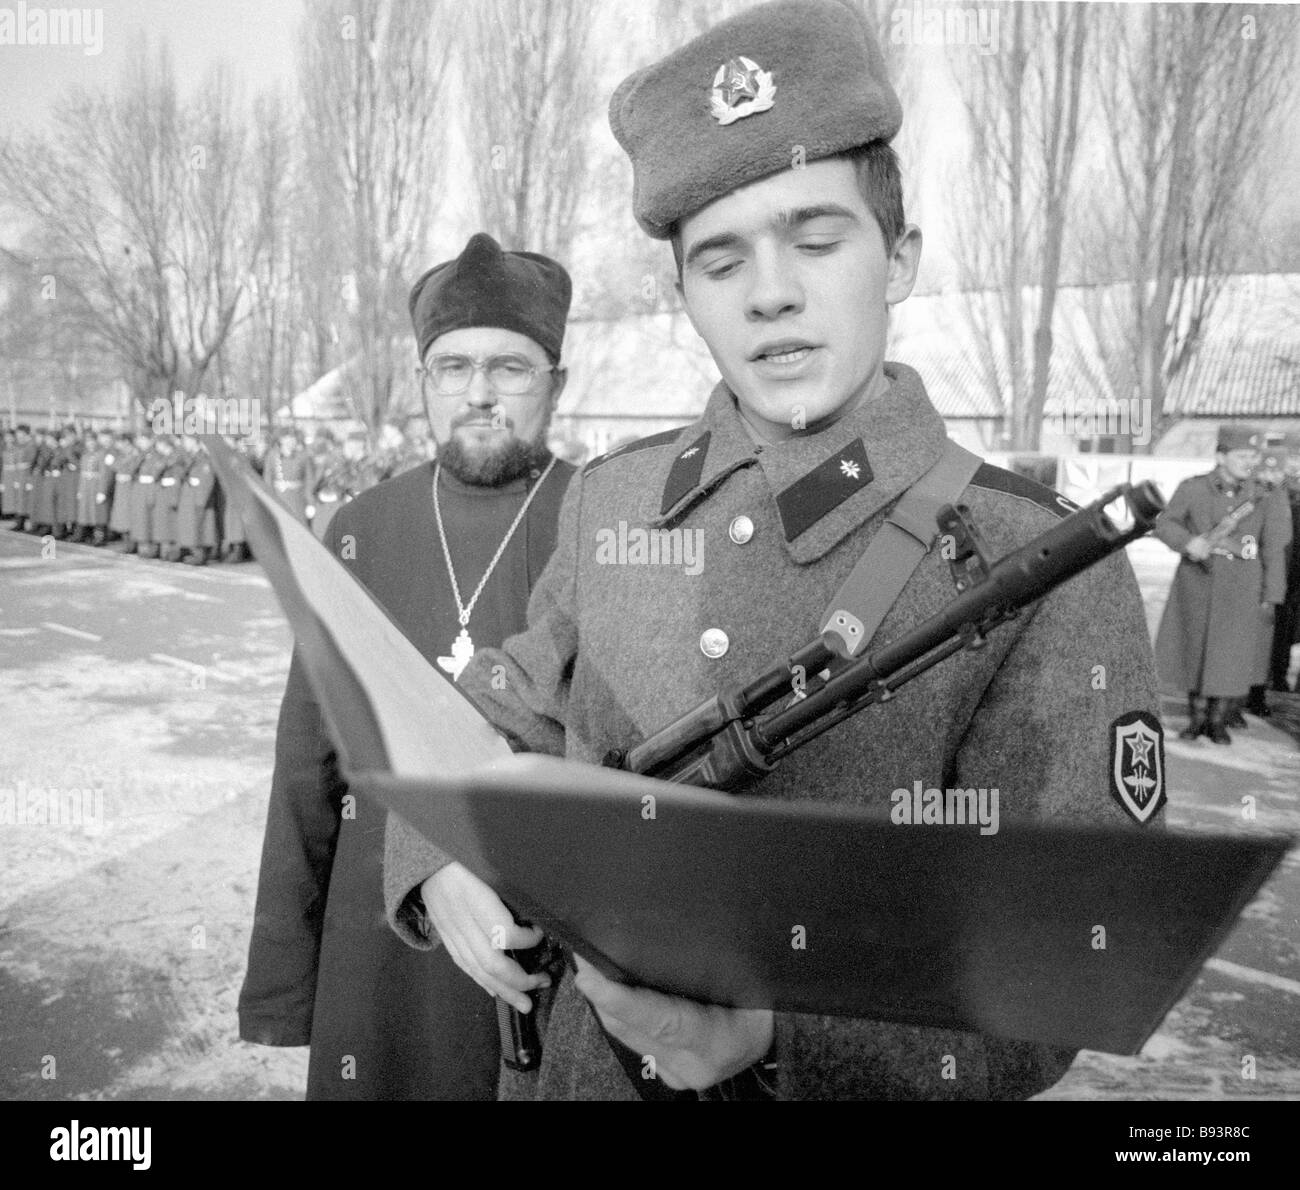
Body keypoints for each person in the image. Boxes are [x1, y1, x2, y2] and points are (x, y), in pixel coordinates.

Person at [383, 0, 1163, 1102]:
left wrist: (781, 1037)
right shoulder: (613, 498)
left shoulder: (1039, 559)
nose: (770, 291)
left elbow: (1070, 947)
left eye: (815, 236)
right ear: (684, 293)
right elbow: (496, 715)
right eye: (720, 259)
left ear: (898, 258)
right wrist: (440, 850)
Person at [240, 232, 577, 1100]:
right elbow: (305, 765)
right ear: (423, 384)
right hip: (378, 950)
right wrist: (285, 981)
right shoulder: (359, 526)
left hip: (546, 950)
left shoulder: (602, 520)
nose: (478, 393)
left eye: (510, 368)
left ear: (557, 384)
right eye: (452, 366)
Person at [1154, 426, 1291, 744]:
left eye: (1254, 456)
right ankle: (1196, 718)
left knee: (1231, 655)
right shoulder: (1194, 488)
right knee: (1195, 650)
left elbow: (1273, 548)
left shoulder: (1263, 495)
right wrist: (1188, 542)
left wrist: (1272, 594)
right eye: (1243, 455)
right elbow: (1165, 523)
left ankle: (1216, 721)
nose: (1250, 462)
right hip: (1197, 581)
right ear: (1220, 456)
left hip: (1242, 586)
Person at [1269, 434, 1300, 694]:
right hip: (1277, 568)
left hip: (1295, 572)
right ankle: (1268, 679)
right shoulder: (1273, 491)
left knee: (1287, 626)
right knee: (1274, 626)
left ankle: (1280, 675)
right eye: (1292, 459)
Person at [175, 435, 219, 565]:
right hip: (189, 496)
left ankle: (200, 554)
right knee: (189, 526)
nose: (184, 443)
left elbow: (207, 479)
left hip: (197, 497)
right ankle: (191, 550)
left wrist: (201, 500)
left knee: (199, 526)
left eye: (187, 440)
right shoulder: (189, 457)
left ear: (194, 442)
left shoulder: (203, 458)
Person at [263, 427, 315, 524]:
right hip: (279, 498)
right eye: (287, 438)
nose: (291, 441)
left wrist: (310, 502)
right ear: (281, 440)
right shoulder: (272, 456)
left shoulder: (303, 456)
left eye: (293, 438)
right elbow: (268, 479)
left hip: (297, 500)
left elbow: (309, 480)